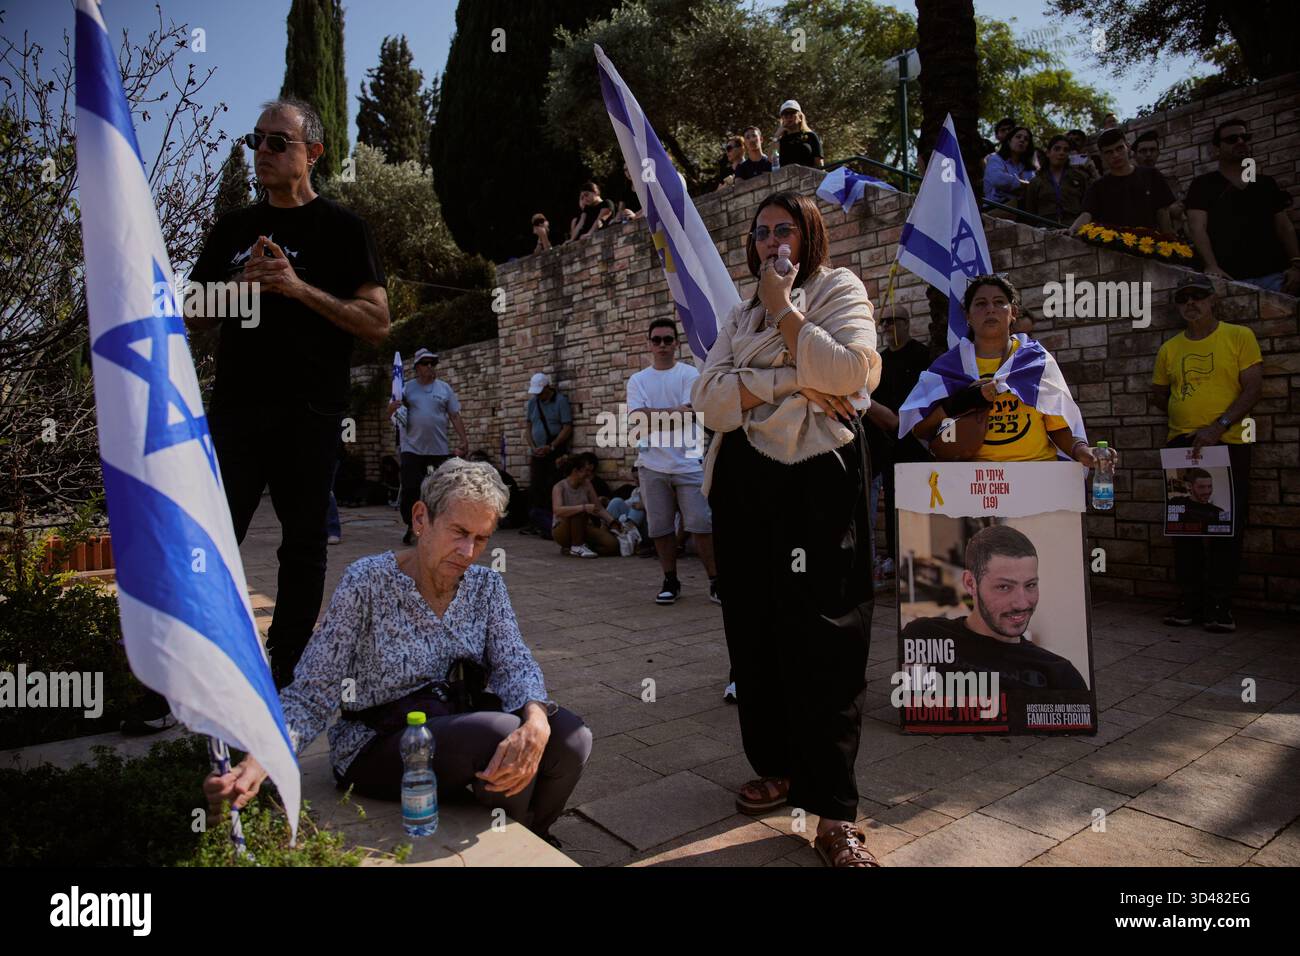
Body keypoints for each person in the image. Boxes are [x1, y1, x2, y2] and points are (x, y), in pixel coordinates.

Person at [203, 459, 592, 843]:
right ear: (421, 518)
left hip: (454, 722)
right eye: (458, 532)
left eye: (482, 538)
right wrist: (260, 761)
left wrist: (536, 715)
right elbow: (312, 691)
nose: (468, 551)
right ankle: (517, 839)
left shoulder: (485, 587)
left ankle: (534, 831)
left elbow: (514, 662)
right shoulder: (367, 582)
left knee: (570, 737)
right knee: (502, 734)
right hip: (378, 741)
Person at [692, 190, 881, 867]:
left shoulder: (838, 288)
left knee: (826, 635)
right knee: (754, 625)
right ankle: (776, 765)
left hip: (817, 479)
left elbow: (849, 373)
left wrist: (784, 315)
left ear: (809, 236)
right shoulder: (736, 312)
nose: (773, 242)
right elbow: (709, 400)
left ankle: (835, 813)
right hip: (745, 482)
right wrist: (787, 380)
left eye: (786, 230)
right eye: (762, 231)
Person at [184, 97, 389, 688]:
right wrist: (240, 286)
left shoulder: (345, 231)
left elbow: (377, 323)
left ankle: (288, 670)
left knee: (303, 547)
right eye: (257, 141)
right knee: (216, 539)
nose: (264, 152)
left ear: (313, 153)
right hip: (236, 413)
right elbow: (191, 313)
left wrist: (298, 289)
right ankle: (187, 672)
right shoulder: (233, 229)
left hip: (312, 414)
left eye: (279, 141)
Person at [1153, 273, 1262, 632]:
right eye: (1183, 298)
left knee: (1224, 526)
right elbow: (1159, 393)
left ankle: (1220, 604)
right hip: (1182, 446)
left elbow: (1252, 387)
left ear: (1212, 300)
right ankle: (1191, 601)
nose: (1190, 304)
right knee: (1184, 526)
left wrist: (1219, 425)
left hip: (1226, 443)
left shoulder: (1238, 336)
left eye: (1198, 296)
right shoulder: (1170, 348)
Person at [905, 276, 1103, 468]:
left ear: (1013, 312)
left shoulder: (1037, 361)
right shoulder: (948, 367)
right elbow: (920, 429)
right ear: (968, 316)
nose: (990, 309)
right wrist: (960, 402)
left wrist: (1081, 450)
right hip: (973, 485)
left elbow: (1058, 425)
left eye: (999, 302)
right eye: (981, 303)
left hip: (1037, 478)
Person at [899, 525, 1088, 701]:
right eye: (1004, 586)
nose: (1022, 603)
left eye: (1030, 585)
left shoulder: (1059, 675)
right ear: (970, 584)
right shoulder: (923, 637)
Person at [627, 317, 719, 605]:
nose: (663, 345)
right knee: (660, 529)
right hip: (652, 465)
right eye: (657, 340)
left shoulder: (689, 374)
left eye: (668, 339)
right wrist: (673, 413)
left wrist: (653, 416)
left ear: (676, 343)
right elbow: (635, 420)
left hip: (689, 462)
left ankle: (716, 582)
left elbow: (689, 413)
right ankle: (670, 580)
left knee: (701, 525)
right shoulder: (638, 380)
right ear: (649, 344)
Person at [1185, 118, 1300, 294]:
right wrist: (1211, 265)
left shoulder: (1265, 184)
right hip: (1232, 278)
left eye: (1244, 137)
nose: (1240, 142)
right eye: (1232, 139)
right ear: (1217, 148)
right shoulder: (1203, 185)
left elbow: (1284, 227)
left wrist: (1296, 265)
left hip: (1276, 276)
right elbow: (1197, 227)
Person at [867, 304, 931, 579]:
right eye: (884, 322)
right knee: (893, 501)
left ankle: (922, 559)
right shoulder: (879, 362)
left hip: (918, 444)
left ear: (907, 323)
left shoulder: (923, 356)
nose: (888, 326)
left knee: (920, 503)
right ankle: (895, 556)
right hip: (888, 445)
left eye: (894, 321)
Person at [388, 348, 468, 546]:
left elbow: (455, 415)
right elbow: (391, 411)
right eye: (425, 363)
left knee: (439, 491)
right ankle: (412, 527)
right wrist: (393, 407)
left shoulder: (444, 389)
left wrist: (464, 440)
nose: (430, 366)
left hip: (438, 450)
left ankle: (437, 529)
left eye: (433, 363)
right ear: (417, 368)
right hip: (412, 449)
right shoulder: (406, 389)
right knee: (411, 490)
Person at [1068, 127, 1175, 234]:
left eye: (1119, 148)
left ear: (1127, 147)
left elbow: (1163, 213)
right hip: (1115, 246)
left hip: (1150, 243)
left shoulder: (1152, 176)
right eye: (1109, 152)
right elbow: (1086, 214)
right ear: (1102, 155)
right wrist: (1072, 230)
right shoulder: (1097, 188)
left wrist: (1170, 242)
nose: (1116, 155)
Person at [522, 373, 573, 536]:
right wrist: (532, 446)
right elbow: (528, 427)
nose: (539, 395)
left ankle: (551, 522)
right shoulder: (533, 403)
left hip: (553, 449)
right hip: (537, 451)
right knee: (535, 486)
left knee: (552, 485)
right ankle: (535, 521)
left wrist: (552, 446)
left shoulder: (560, 401)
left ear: (547, 387)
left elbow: (567, 427)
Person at [551, 454, 619, 558]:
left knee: (612, 545)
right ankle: (576, 547)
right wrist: (583, 507)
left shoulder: (587, 484)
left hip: (583, 527)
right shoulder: (560, 487)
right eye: (585, 471)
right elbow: (557, 510)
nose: (589, 474)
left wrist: (612, 522)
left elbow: (599, 508)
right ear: (575, 471)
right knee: (579, 511)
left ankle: (580, 547)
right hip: (562, 529)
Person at [1020, 135, 1092, 226]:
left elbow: (1087, 208)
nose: (1061, 153)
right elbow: (1030, 212)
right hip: (1045, 229)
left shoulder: (1079, 178)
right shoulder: (1036, 181)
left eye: (1066, 150)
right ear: (1048, 153)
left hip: (1073, 228)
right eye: (1057, 149)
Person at [983, 126, 1037, 207]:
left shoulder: (1029, 169)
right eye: (1018, 137)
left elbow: (1034, 190)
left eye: (1026, 139)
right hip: (993, 210)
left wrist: (1009, 184)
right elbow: (998, 179)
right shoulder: (995, 159)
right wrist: (1022, 185)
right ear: (1009, 141)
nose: (1022, 140)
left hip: (1020, 213)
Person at [773, 100, 824, 170]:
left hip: (809, 178)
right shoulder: (779, 141)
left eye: (792, 113)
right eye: (785, 114)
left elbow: (819, 164)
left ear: (800, 116)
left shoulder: (811, 136)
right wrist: (776, 136)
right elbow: (772, 160)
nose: (788, 116)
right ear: (782, 118)